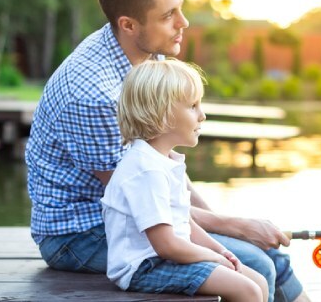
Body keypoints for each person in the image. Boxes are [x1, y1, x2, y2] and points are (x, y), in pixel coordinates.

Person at [25, 0, 308, 301]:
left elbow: (166, 168)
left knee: (268, 255)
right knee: (254, 263)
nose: (184, 22)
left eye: (180, 8)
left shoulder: (148, 55)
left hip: (144, 216)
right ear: (128, 24)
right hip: (80, 234)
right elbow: (142, 197)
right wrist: (233, 228)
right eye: (168, 15)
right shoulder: (93, 97)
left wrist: (225, 223)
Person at [101, 59, 266, 301]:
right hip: (144, 267)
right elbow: (166, 245)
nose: (203, 115)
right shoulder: (146, 170)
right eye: (193, 106)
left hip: (166, 258)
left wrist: (221, 250)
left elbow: (185, 223)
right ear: (161, 114)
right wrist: (214, 259)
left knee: (258, 281)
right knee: (247, 290)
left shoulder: (163, 161)